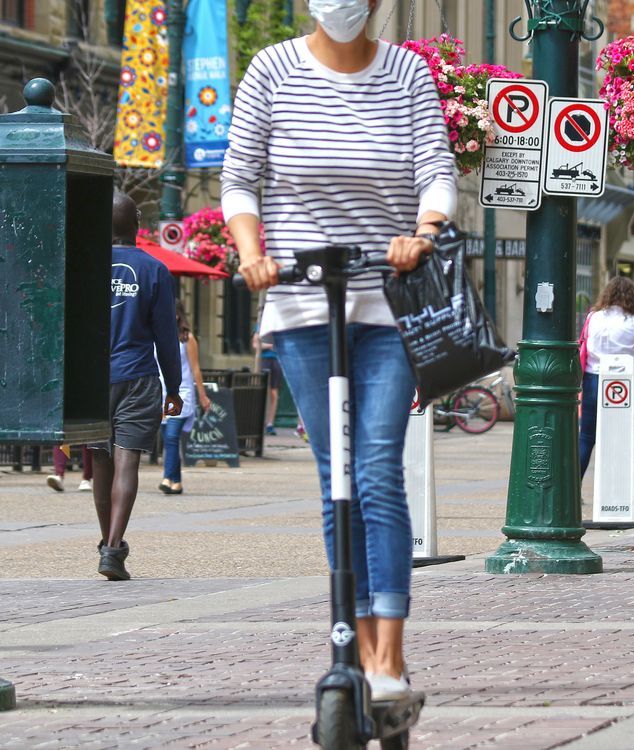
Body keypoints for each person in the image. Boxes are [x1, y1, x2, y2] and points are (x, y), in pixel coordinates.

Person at [222, 0, 457, 703]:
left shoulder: (407, 75)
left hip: (387, 304)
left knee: (378, 468)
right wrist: (252, 254)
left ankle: (390, 657)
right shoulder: (272, 70)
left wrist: (424, 228)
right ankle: (349, 642)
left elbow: (436, 169)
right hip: (299, 306)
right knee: (337, 480)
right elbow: (239, 175)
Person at [90, 189, 183, 580]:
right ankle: (113, 547)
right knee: (127, 462)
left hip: (92, 381)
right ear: (137, 226)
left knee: (99, 461)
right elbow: (166, 335)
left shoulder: (85, 265)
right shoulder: (154, 269)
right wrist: (174, 387)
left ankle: (106, 543)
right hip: (139, 377)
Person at [578, 277, 634, 477]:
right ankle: (616, 486)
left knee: (586, 436)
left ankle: (575, 487)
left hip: (593, 378)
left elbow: (587, 344)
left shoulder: (593, 317)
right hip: (622, 382)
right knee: (619, 437)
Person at [157, 301, 212, 495]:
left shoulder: (187, 339)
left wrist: (203, 396)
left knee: (172, 437)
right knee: (168, 438)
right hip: (162, 393)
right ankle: (177, 482)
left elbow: (195, 368)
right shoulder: (157, 336)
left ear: (177, 316)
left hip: (182, 393)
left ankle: (166, 477)